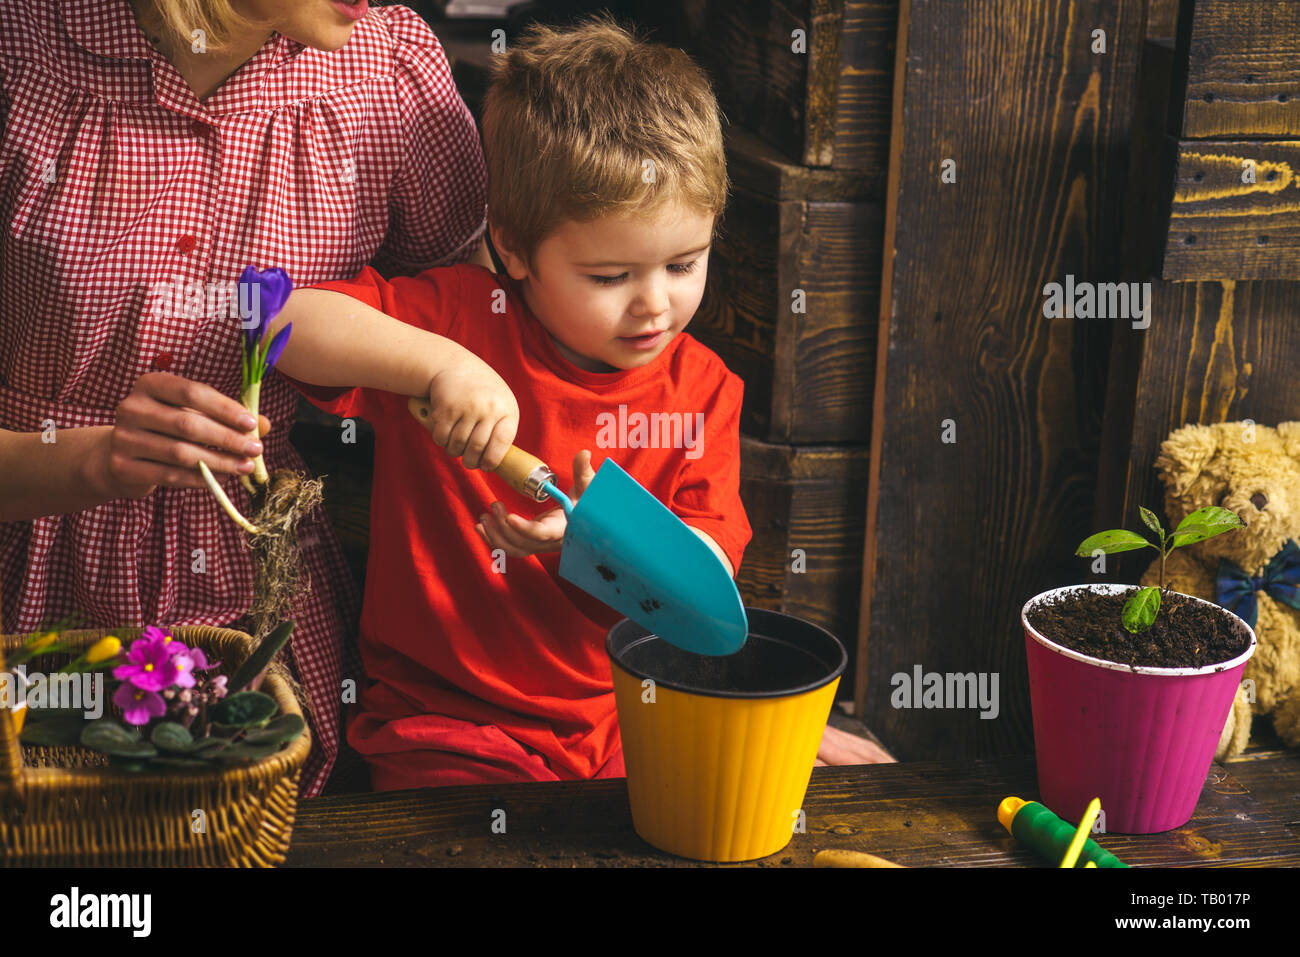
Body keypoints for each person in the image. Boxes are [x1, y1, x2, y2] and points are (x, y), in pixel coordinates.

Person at [0, 0, 492, 796]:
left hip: (261, 605)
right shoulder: (23, 46)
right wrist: (90, 459)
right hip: (27, 605)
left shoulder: (390, 71)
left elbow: (470, 330)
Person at [268, 17, 753, 788]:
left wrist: (598, 537)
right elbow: (277, 322)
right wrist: (437, 364)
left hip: (621, 721)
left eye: (684, 263)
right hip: (446, 722)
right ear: (515, 247)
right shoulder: (462, 319)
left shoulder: (701, 391)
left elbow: (709, 583)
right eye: (609, 277)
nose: (653, 305)